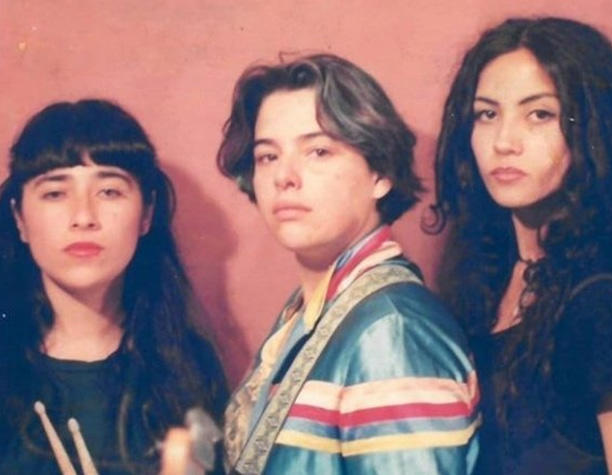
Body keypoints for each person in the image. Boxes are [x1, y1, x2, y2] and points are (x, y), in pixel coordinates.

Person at [430, 17, 612, 474]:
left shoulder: (607, 303)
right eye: (487, 114)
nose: (504, 142)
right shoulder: (482, 277)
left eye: (539, 114)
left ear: (590, 130)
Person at [216, 54, 479, 474]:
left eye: (318, 151)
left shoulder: (390, 331)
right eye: (268, 156)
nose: (285, 176)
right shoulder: (308, 311)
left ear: (380, 173)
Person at [0, 99, 228, 474]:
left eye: (109, 191)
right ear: (19, 219)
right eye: (55, 193)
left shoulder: (190, 372)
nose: (84, 217)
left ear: (147, 213)